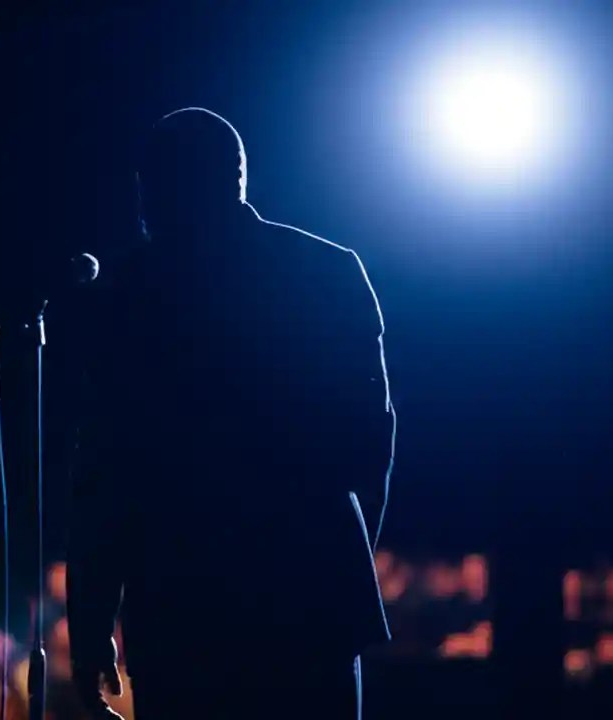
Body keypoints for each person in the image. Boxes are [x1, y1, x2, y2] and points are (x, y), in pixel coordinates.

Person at [68, 107, 394, 720]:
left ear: (157, 185)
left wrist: (90, 629)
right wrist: (336, 552)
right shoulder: (329, 271)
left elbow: (104, 478)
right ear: (237, 178)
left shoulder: (127, 295)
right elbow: (371, 442)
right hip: (311, 602)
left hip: (180, 609)